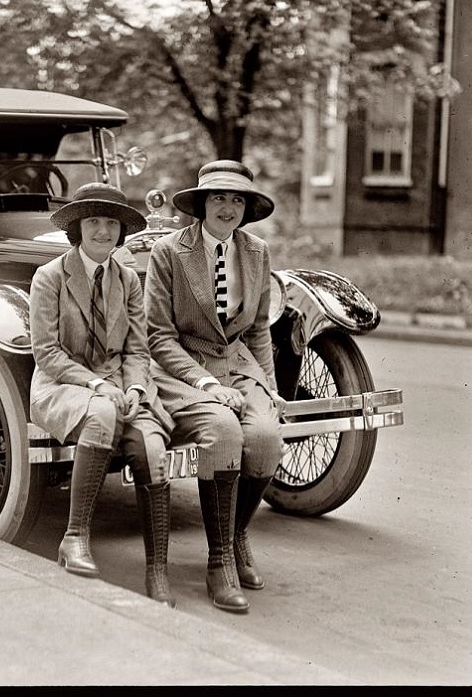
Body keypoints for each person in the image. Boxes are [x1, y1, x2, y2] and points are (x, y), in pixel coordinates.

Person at [144, 160, 286, 615]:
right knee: (223, 430)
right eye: (219, 198)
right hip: (181, 367)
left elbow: (258, 329)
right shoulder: (169, 251)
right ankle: (219, 561)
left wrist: (269, 386)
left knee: (266, 437)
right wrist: (204, 381)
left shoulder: (257, 251)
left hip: (239, 364)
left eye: (237, 199)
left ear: (247, 207)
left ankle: (236, 533)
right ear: (202, 203)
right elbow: (158, 337)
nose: (228, 208)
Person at [29, 182, 176, 608]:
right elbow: (47, 352)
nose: (103, 231)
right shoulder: (49, 277)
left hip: (118, 385)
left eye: (111, 223)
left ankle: (157, 570)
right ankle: (74, 537)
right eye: (93, 221)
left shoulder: (127, 279)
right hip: (62, 385)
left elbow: (137, 350)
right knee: (101, 415)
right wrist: (96, 385)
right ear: (77, 228)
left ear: (121, 231)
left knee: (151, 447)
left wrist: (134, 388)